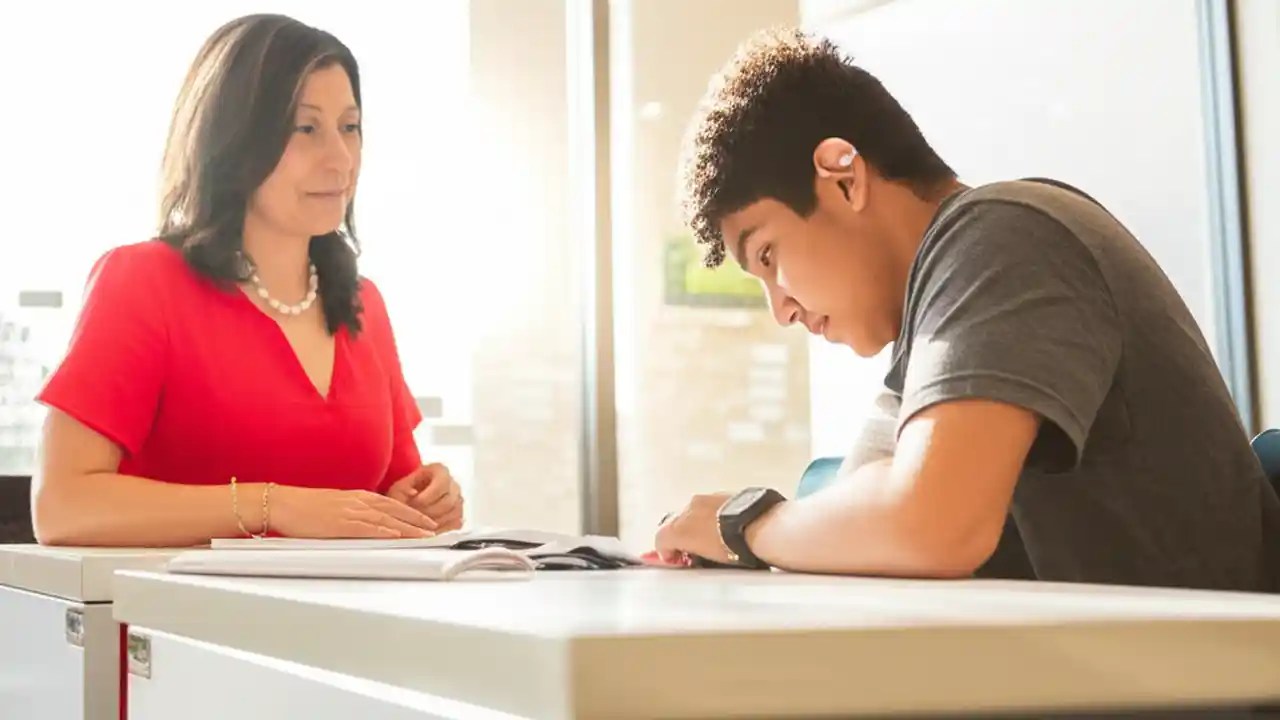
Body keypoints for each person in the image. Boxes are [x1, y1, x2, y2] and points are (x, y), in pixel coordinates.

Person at [655, 28, 1280, 592]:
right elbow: (858, 523)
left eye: (768, 255)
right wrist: (760, 529)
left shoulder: (1003, 234)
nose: (781, 310)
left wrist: (744, 524)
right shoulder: (932, 322)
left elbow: (931, 525)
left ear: (844, 176)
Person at [32, 14, 463, 546]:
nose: (341, 159)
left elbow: (392, 496)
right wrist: (272, 504)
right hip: (181, 622)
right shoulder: (143, 281)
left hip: (341, 622)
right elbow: (62, 507)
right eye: (307, 129)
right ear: (235, 140)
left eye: (349, 128)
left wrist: (427, 500)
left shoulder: (362, 303)